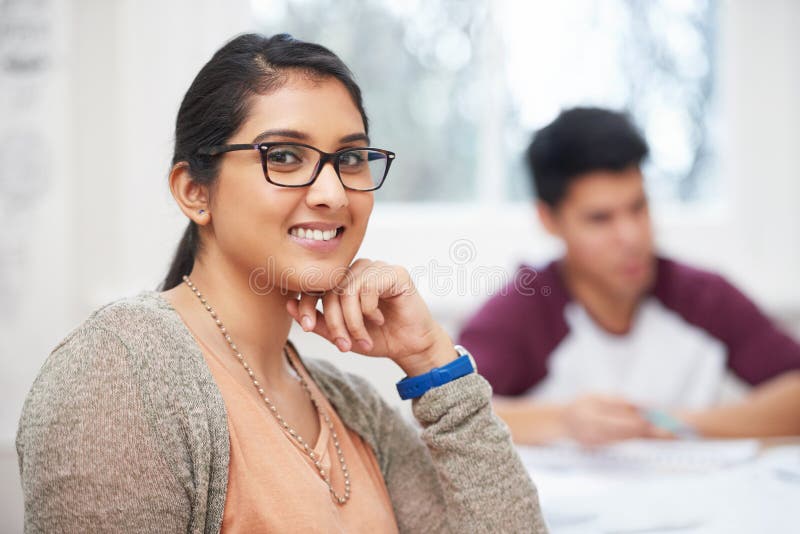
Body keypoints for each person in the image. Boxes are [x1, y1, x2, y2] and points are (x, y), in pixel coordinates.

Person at [16, 34, 545, 533]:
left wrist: (432, 361)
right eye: (286, 156)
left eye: (352, 158)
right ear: (195, 191)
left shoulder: (349, 405)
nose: (333, 194)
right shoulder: (121, 372)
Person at [458, 107, 800, 447]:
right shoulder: (525, 308)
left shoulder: (704, 297)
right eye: (600, 219)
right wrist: (564, 421)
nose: (631, 236)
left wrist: (682, 425)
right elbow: (447, 411)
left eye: (638, 207)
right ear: (548, 219)